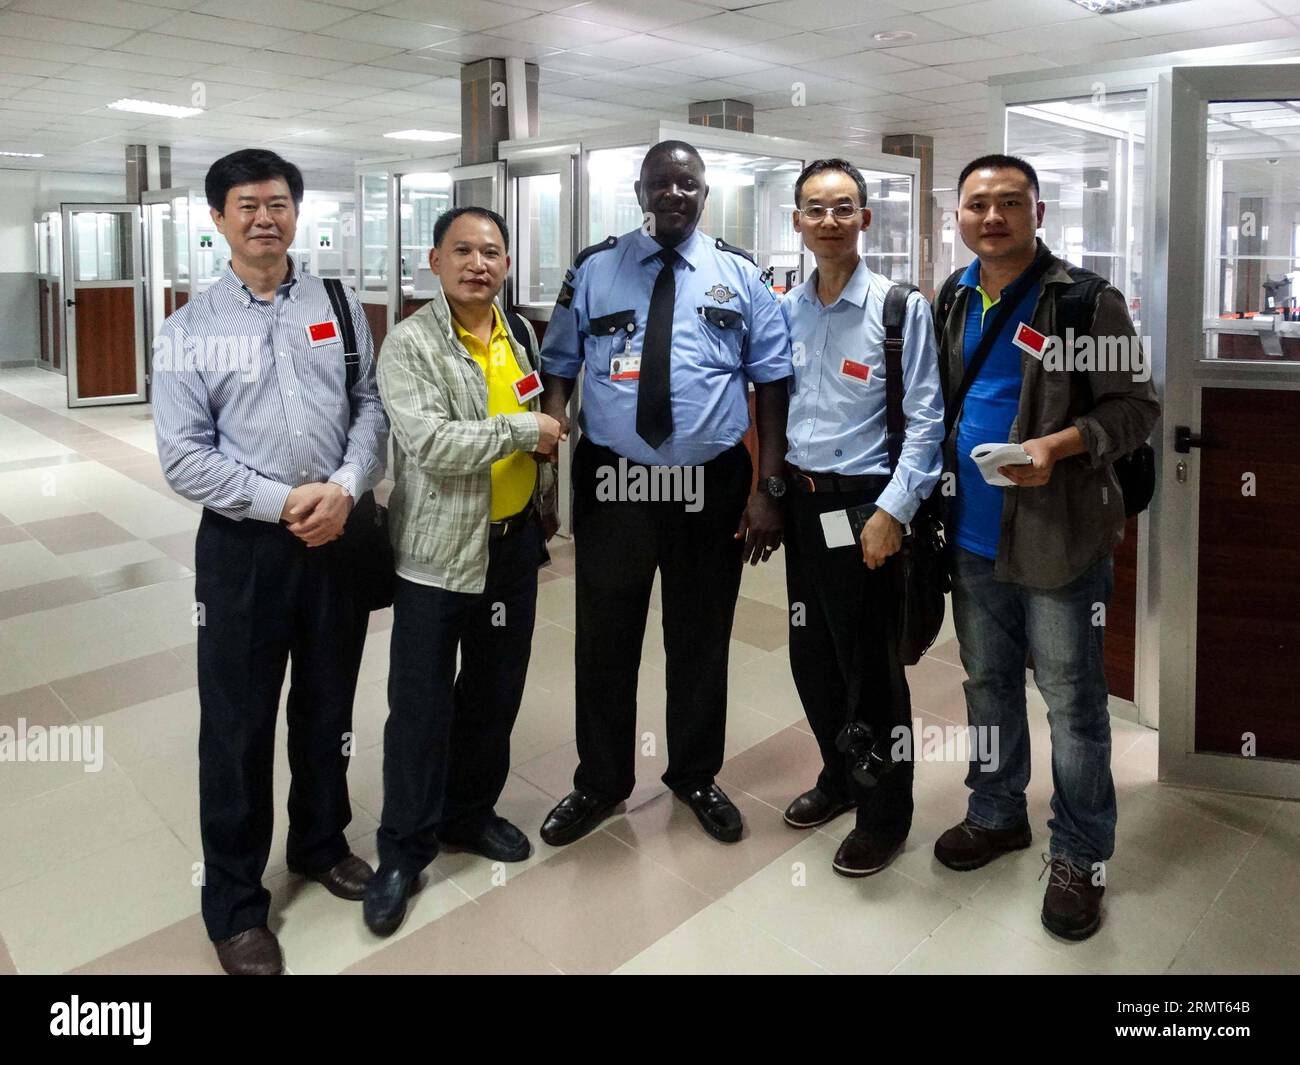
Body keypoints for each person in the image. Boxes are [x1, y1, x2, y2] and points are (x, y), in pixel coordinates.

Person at [152, 149, 388, 975]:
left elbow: (369, 403)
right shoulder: (187, 329)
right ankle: (236, 903)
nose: (265, 217)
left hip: (336, 538)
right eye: (246, 204)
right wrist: (281, 500)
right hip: (246, 550)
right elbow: (183, 457)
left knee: (328, 709)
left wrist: (348, 485)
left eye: (279, 202)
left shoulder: (335, 301)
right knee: (239, 726)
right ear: (217, 219)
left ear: (297, 211)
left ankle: (322, 842)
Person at [536, 140, 792, 846]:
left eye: (688, 184)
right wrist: (548, 457)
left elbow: (772, 381)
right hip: (615, 480)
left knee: (700, 634)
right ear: (641, 190)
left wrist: (769, 486)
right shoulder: (595, 268)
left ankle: (695, 773)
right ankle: (601, 779)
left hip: (709, 484)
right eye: (661, 183)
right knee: (605, 636)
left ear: (704, 195)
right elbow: (558, 365)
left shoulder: (739, 274)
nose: (674, 194)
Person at [931, 154, 1159, 940]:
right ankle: (997, 811)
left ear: (1037, 211)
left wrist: (1060, 445)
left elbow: (1138, 408)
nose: (991, 217)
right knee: (988, 682)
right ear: (957, 215)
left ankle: (1081, 852)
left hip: (1060, 538)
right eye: (976, 204)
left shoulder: (1086, 302)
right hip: (969, 536)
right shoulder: (953, 299)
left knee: (1072, 701)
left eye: (1009, 203)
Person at [363, 207, 562, 936]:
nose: (479, 263)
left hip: (510, 550)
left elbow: (536, 420)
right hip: (436, 554)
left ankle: (468, 813)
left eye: (492, 252)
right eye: (463, 251)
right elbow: (427, 443)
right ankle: (401, 851)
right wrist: (525, 431)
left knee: (493, 692)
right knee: (419, 706)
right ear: (435, 261)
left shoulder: (520, 334)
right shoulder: (412, 343)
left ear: (508, 263)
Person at [779, 159, 944, 876]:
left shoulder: (899, 309)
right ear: (797, 222)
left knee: (871, 671)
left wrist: (892, 512)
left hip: (866, 508)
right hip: (803, 504)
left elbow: (929, 423)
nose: (829, 221)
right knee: (811, 654)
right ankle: (840, 774)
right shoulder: (787, 305)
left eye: (843, 207)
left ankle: (884, 812)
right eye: (815, 209)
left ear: (866, 219)